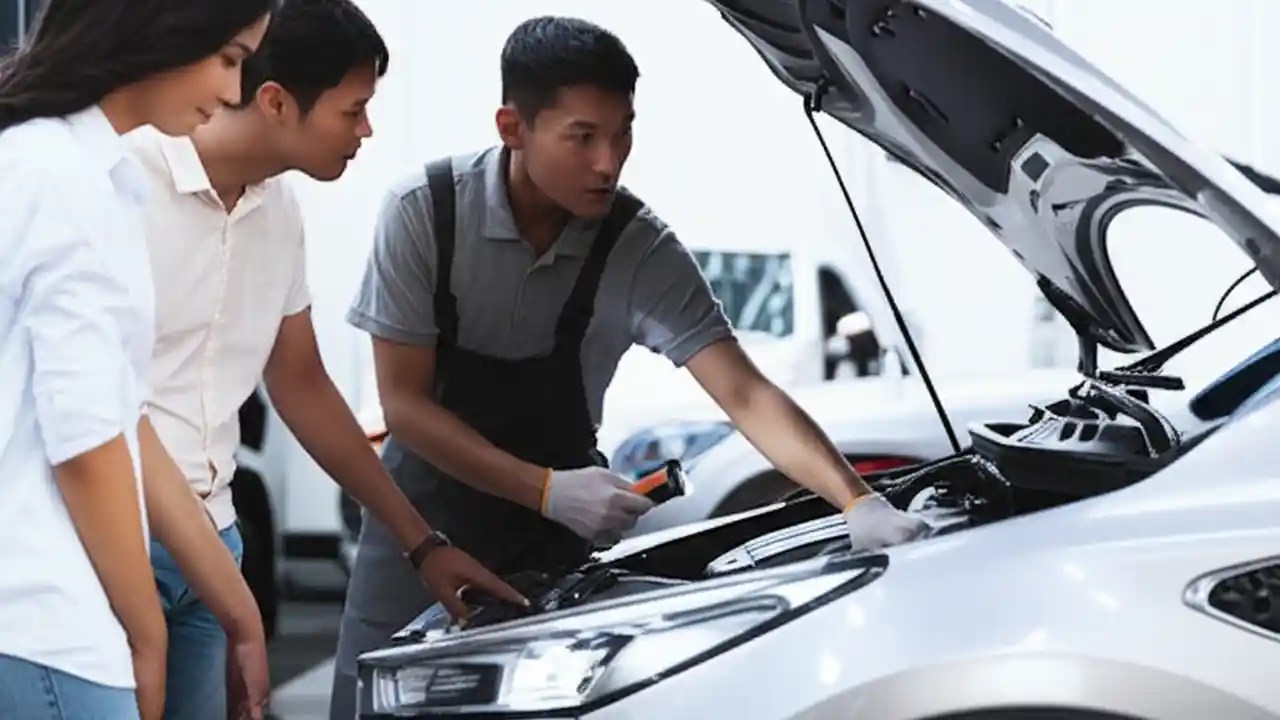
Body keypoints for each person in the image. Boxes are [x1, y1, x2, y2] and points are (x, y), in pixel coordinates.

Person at [330, 14, 931, 717]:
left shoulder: (637, 247)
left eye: (623, 133)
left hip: (547, 557)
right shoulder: (424, 214)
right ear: (512, 126)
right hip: (417, 532)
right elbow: (404, 406)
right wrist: (549, 488)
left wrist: (856, 499)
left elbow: (742, 391)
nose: (608, 162)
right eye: (582, 137)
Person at [123, 2, 524, 717]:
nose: (366, 130)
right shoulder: (125, 182)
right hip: (113, 537)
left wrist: (421, 544)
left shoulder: (278, 210)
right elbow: (96, 399)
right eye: (354, 109)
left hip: (215, 545)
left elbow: (302, 384)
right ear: (276, 102)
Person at [0, 2, 273, 719]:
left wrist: (236, 610)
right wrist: (145, 633)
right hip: (46, 627)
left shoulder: (70, 167)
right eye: (229, 58)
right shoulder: (61, 179)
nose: (234, 92)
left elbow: (121, 421)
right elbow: (86, 443)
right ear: (163, 27)